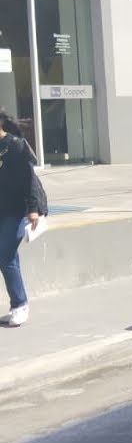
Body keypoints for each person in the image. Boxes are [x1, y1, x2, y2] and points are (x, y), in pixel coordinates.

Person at [0, 111, 45, 327]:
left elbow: (29, 180)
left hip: (17, 210)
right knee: (9, 257)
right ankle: (18, 303)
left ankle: (20, 305)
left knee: (5, 256)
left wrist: (33, 209)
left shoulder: (16, 146)